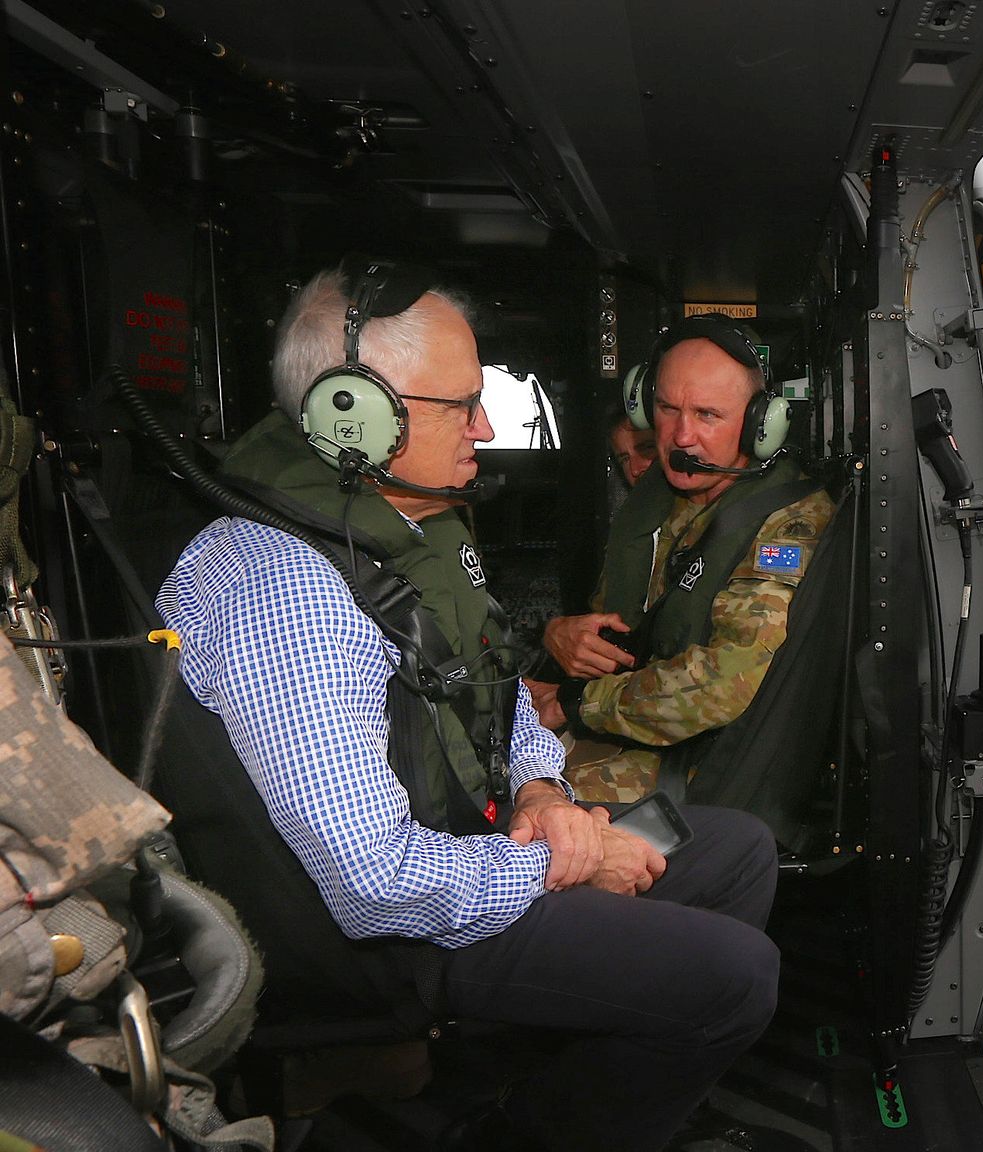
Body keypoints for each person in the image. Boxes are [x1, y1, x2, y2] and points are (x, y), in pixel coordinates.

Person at [154, 264, 778, 1152]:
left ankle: (594, 1082)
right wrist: (566, 863)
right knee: (737, 979)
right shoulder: (285, 590)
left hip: (476, 837)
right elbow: (374, 885)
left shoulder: (403, 526)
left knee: (737, 849)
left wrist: (542, 793)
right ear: (352, 416)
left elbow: (495, 688)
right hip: (392, 937)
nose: (484, 428)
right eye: (462, 406)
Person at [528, 317, 834, 807]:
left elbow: (726, 682)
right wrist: (561, 639)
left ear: (760, 424)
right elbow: (617, 626)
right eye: (668, 409)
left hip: (710, 760)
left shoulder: (789, 522)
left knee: (538, 811)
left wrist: (575, 705)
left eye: (708, 414)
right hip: (631, 721)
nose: (682, 436)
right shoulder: (658, 501)